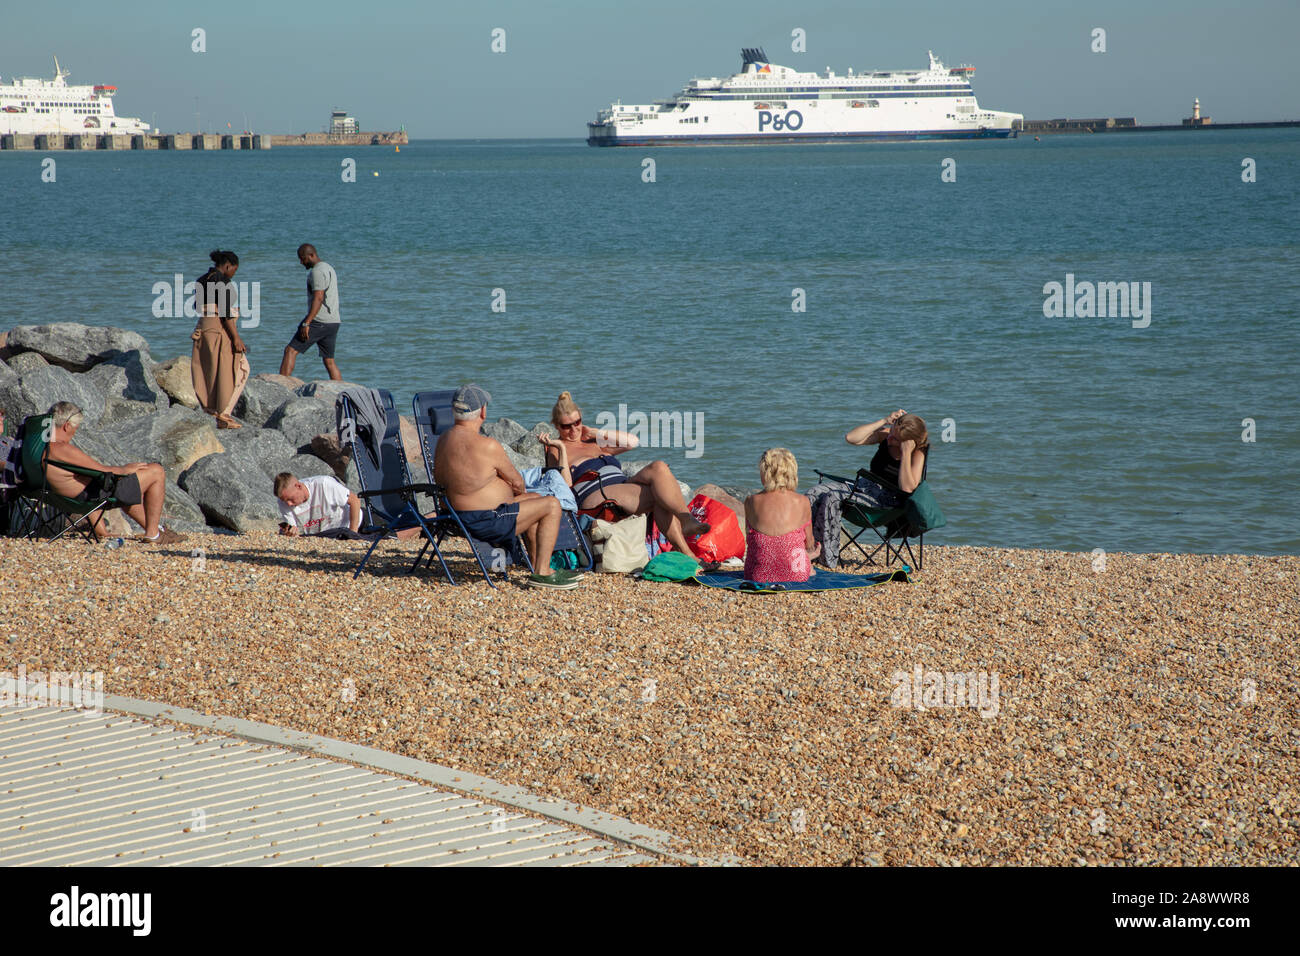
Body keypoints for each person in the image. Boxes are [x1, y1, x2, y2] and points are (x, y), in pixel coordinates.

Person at [433, 384, 583, 589]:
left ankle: (535, 561)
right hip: (487, 521)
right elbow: (517, 482)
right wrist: (510, 493)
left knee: (534, 501)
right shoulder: (487, 445)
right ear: (483, 412)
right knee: (552, 505)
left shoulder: (443, 440)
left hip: (454, 517)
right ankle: (543, 573)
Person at [543, 391, 708, 558]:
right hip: (594, 496)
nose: (573, 430)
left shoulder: (594, 442)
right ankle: (688, 553)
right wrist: (561, 449)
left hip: (622, 485)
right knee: (661, 497)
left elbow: (632, 442)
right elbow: (565, 488)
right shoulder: (556, 450)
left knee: (658, 467)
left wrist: (595, 432)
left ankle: (686, 521)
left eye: (577, 423)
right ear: (556, 426)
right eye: (566, 426)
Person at [42, 402, 182, 544]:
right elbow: (100, 470)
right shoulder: (62, 449)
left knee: (128, 487)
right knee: (156, 471)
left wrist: (101, 530)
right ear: (67, 426)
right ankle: (153, 534)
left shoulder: (42, 449)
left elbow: (81, 480)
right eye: (75, 428)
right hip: (94, 495)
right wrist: (124, 469)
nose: (74, 433)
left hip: (79, 495)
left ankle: (157, 529)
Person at [806, 409, 929, 568]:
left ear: (908, 442)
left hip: (887, 502)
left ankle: (826, 560)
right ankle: (805, 549)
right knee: (813, 493)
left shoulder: (917, 453)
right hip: (865, 487)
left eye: (895, 438)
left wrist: (906, 452)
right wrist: (884, 420)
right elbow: (851, 438)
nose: (890, 437)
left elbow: (907, 488)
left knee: (832, 498)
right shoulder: (887, 436)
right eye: (891, 431)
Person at [191, 249, 249, 429]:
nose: (234, 274)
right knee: (240, 368)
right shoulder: (222, 281)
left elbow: (196, 306)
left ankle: (212, 410)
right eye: (234, 270)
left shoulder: (202, 279)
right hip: (219, 328)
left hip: (203, 328)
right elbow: (224, 312)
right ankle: (224, 414)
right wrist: (236, 337)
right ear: (228, 265)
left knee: (211, 371)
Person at [744, 448, 820, 583]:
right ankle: (806, 562)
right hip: (797, 575)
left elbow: (750, 539)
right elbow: (809, 543)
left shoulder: (751, 501)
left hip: (759, 575)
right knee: (807, 560)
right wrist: (810, 553)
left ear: (765, 473)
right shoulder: (802, 501)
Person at [279, 243, 342, 381]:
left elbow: (318, 298)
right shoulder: (329, 267)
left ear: (312, 255)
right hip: (333, 322)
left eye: (303, 258)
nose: (301, 262)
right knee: (329, 361)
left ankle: (280, 387)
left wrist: (307, 323)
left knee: (290, 351)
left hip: (319, 321)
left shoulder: (317, 272)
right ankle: (342, 393)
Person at [274, 472, 361, 536]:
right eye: (285, 501)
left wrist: (352, 534)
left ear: (298, 486)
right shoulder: (283, 501)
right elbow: (293, 529)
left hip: (352, 526)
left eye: (290, 499)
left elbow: (355, 500)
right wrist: (290, 532)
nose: (288, 504)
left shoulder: (323, 484)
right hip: (325, 536)